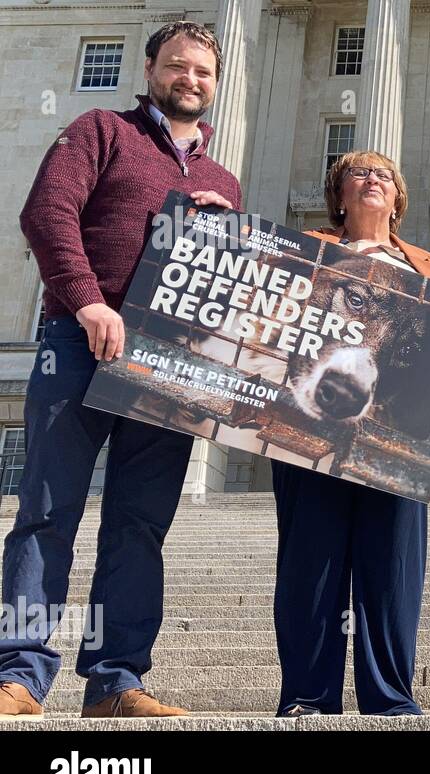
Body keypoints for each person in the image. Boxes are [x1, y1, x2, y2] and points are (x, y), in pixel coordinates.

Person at [0, 22, 241, 720]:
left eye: (202, 71)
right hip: (79, 344)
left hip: (168, 363)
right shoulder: (101, 128)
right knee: (47, 511)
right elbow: (48, 215)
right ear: (151, 68)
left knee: (138, 525)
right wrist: (87, 303)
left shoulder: (223, 177)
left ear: (215, 83)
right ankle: (19, 671)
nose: (189, 79)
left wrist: (229, 232)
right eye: (177, 66)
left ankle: (115, 679)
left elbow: (229, 288)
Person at [271, 149, 430, 717]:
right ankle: (307, 696)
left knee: (393, 570)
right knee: (311, 563)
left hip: (398, 438)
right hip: (306, 426)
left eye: (385, 177)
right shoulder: (308, 247)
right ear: (338, 195)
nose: (372, 181)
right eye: (359, 174)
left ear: (398, 200)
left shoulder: (429, 267)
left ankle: (391, 698)